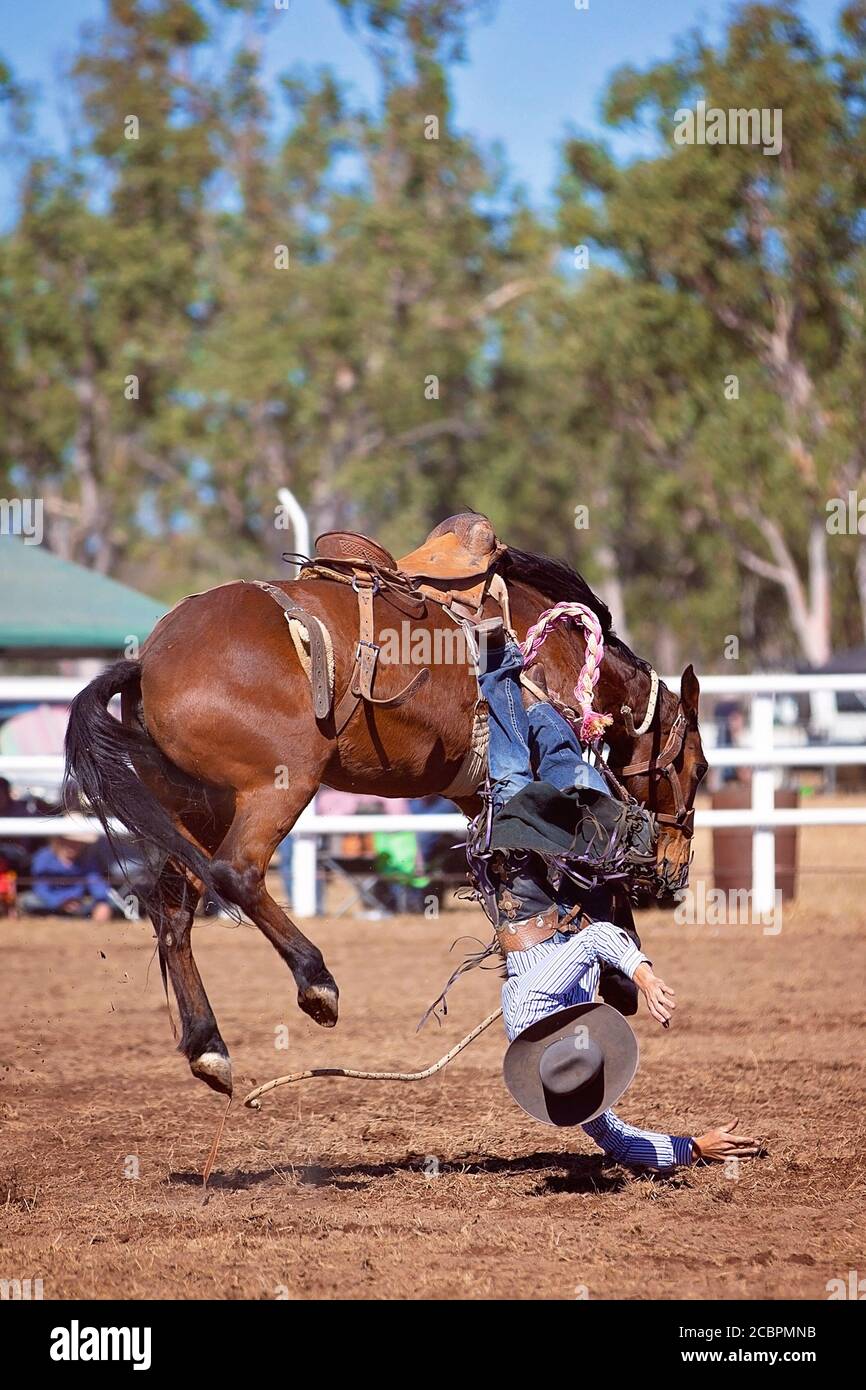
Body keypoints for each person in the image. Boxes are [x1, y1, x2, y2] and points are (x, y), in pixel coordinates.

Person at [474, 620, 761, 1170]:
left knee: (511, 788)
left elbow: (598, 941)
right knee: (584, 794)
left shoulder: (537, 1008)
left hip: (525, 895)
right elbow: (623, 1143)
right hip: (562, 912)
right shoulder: (566, 1079)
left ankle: (498, 666)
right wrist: (693, 1148)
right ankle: (546, 714)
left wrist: (645, 977)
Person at [28, 834, 115, 921]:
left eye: (78, 842)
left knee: (109, 903)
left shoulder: (87, 860)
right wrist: (59, 902)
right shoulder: (43, 857)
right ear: (59, 840)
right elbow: (40, 888)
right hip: (48, 902)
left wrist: (101, 902)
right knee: (29, 900)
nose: (73, 845)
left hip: (78, 903)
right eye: (69, 841)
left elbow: (96, 882)